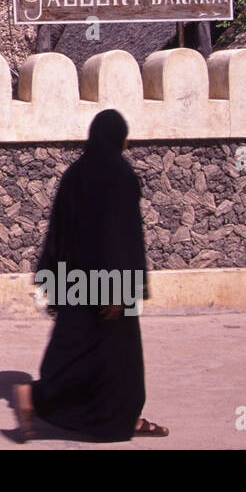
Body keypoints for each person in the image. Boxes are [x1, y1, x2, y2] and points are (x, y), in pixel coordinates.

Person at [13, 108, 168, 441]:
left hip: (74, 282)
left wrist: (51, 280)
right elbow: (122, 234)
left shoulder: (75, 173)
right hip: (111, 284)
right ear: (118, 137)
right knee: (120, 360)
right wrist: (122, 289)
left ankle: (39, 398)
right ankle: (120, 417)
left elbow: (58, 231)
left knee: (75, 353)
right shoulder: (120, 175)